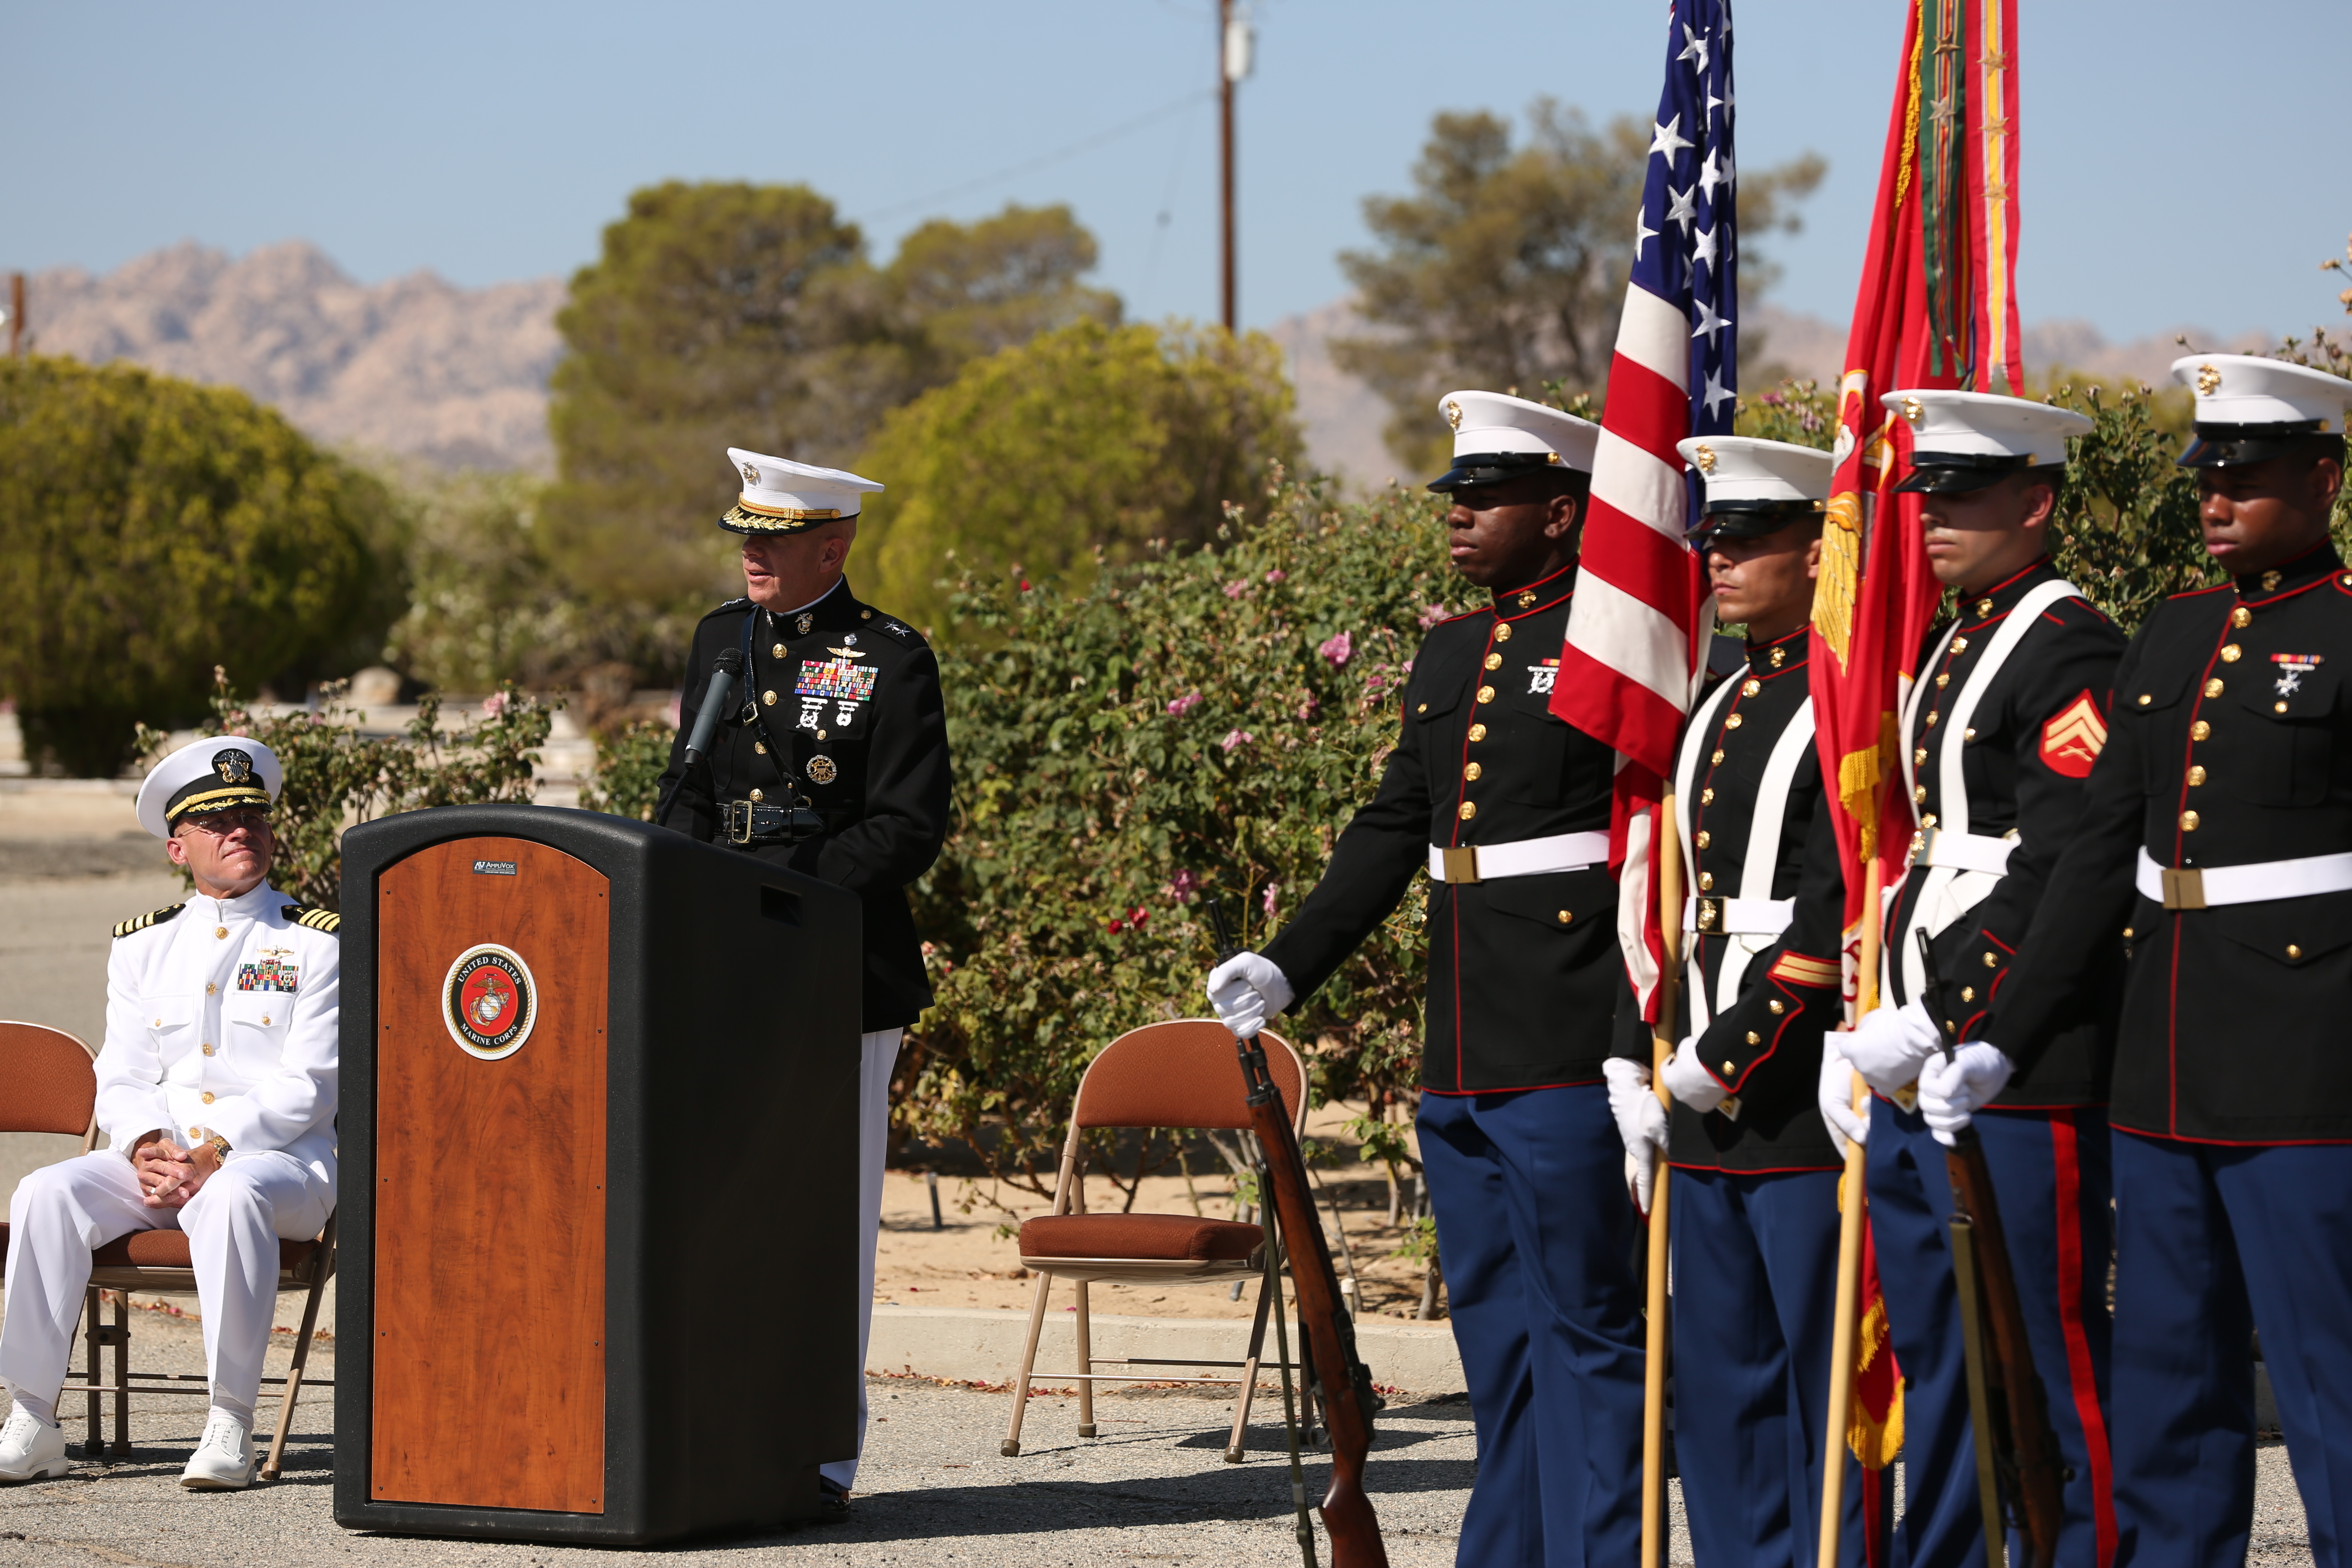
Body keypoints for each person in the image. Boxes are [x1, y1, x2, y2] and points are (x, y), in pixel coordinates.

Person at [1205, 391, 1643, 1567]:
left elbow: (1658, 848)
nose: (1459, 519)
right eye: (1455, 500)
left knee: (1592, 1332)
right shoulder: (1453, 650)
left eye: (1486, 500)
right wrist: (1289, 963)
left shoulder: (1621, 642)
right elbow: (1396, 827)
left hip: (1567, 1027)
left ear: (1562, 512)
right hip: (1463, 1049)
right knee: (1498, 1335)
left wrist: (1637, 1038)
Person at [1946, 355, 2352, 1567]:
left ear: (2322, 478)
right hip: (2162, 1064)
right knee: (2172, 1384)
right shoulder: (2175, 632)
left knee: (2329, 1382)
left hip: (2309, 1066)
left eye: (2247, 476)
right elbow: (2089, 855)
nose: (2215, 499)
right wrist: (2001, 1033)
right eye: (2206, 478)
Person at [1818, 390, 2124, 1568]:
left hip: (2015, 1051)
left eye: (1966, 496)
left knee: (2047, 1347)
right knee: (1942, 1344)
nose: (1934, 518)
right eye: (1927, 496)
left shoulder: (2068, 644)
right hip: (1915, 1038)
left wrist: (1946, 1012)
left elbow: (2058, 864)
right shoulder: (1960, 633)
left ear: (2036, 503)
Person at [652, 448, 951, 1510]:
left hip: (837, 969)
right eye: (745, 536)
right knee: (714, 1204)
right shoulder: (718, 640)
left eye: (774, 540)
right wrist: (660, 903)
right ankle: (715, 1425)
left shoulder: (891, 657)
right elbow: (688, 793)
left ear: (835, 544)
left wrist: (790, 899)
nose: (753, 555)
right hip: (717, 963)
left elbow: (908, 827)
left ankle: (823, 1447)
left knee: (828, 1214)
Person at [1607, 436, 1867, 1564]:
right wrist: (1637, 1053)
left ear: (1816, 555)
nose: (1720, 562)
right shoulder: (1718, 691)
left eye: (1750, 543)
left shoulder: (1845, 698)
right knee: (1720, 1380)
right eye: (1714, 540)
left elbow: (1831, 905)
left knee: (1826, 1384)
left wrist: (1722, 1057)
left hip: (1791, 1079)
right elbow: (1667, 893)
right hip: (1694, 1066)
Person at [0, 737, 338, 1491]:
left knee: (231, 1195)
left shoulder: (316, 943)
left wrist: (216, 1149)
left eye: (252, 815)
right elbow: (121, 1073)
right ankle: (32, 1418)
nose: (240, 829)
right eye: (217, 822)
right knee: (44, 1193)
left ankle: (230, 1422)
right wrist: (147, 1140)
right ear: (178, 848)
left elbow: (311, 1084)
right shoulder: (143, 947)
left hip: (278, 1166)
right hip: (163, 1162)